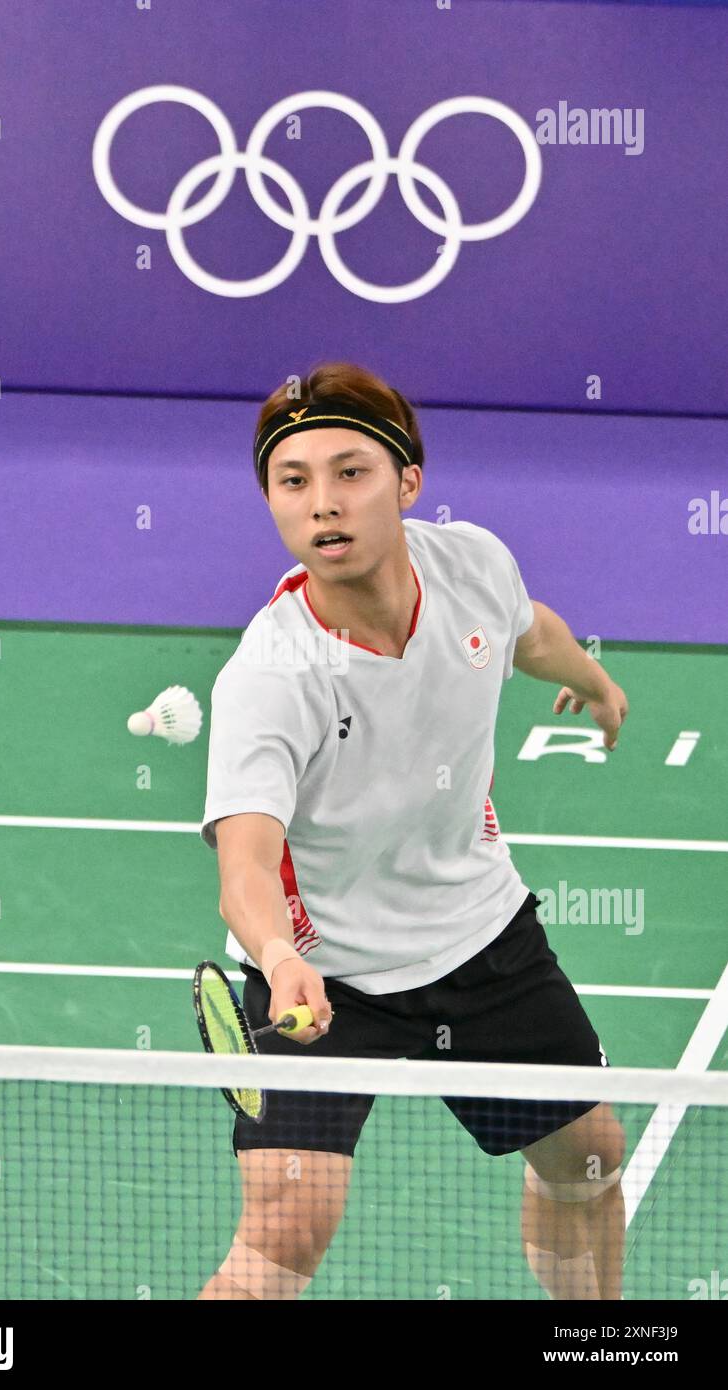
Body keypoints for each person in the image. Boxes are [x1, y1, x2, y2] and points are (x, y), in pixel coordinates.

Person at [198, 361, 629, 1301]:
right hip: (323, 976)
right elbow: (245, 865)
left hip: (479, 936)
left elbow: (526, 632)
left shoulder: (471, 562)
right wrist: (276, 956)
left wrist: (594, 680)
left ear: (408, 482)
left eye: (350, 472)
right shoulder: (272, 676)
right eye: (293, 481)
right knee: (284, 1232)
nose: (323, 506)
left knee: (588, 1167)